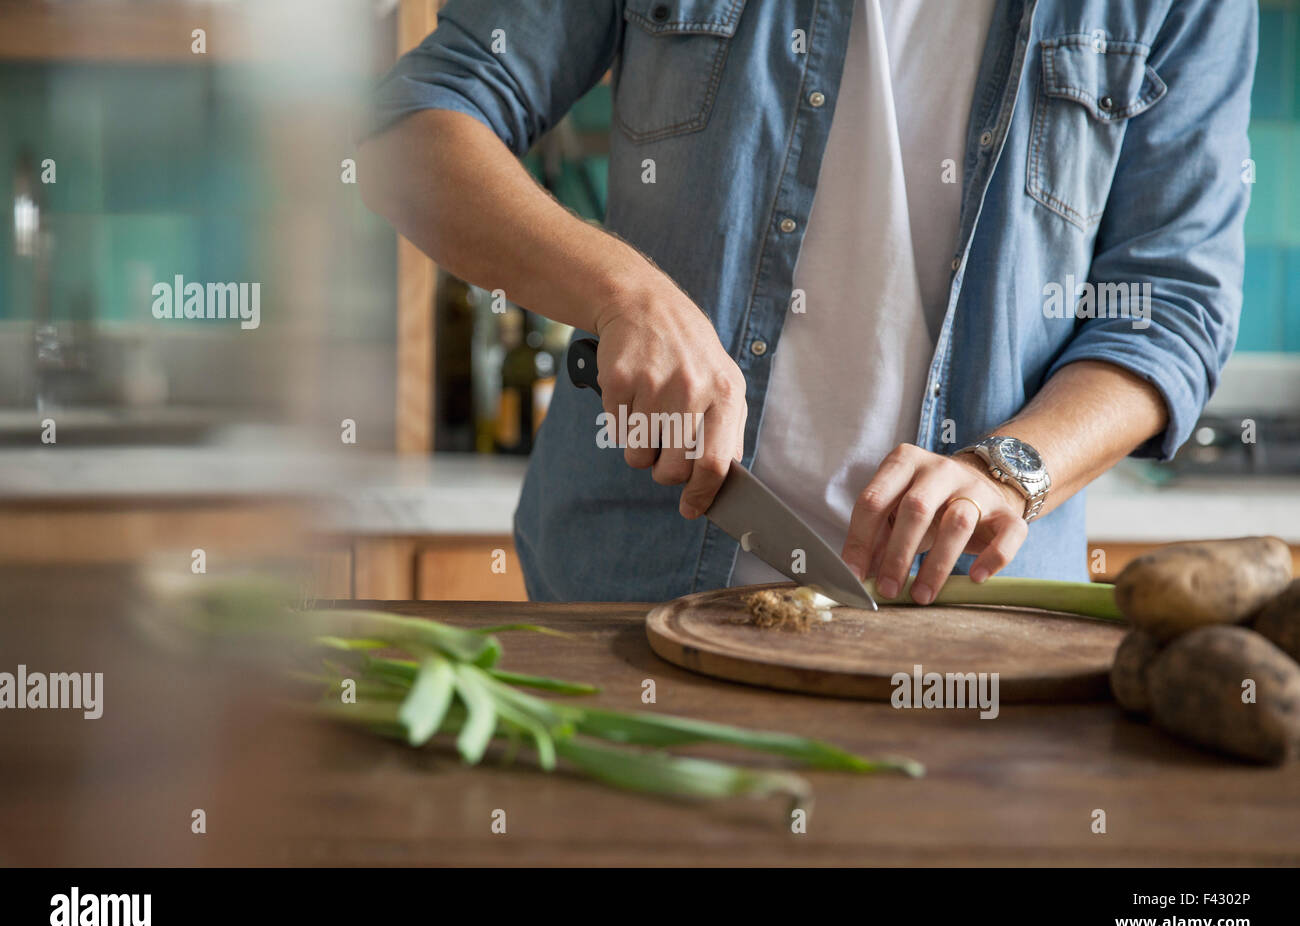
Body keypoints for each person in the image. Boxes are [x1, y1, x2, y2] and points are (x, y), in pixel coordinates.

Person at [358, 0, 1255, 603]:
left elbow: (1170, 303)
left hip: (977, 631)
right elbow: (409, 129)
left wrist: (1011, 468)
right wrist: (623, 291)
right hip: (633, 609)